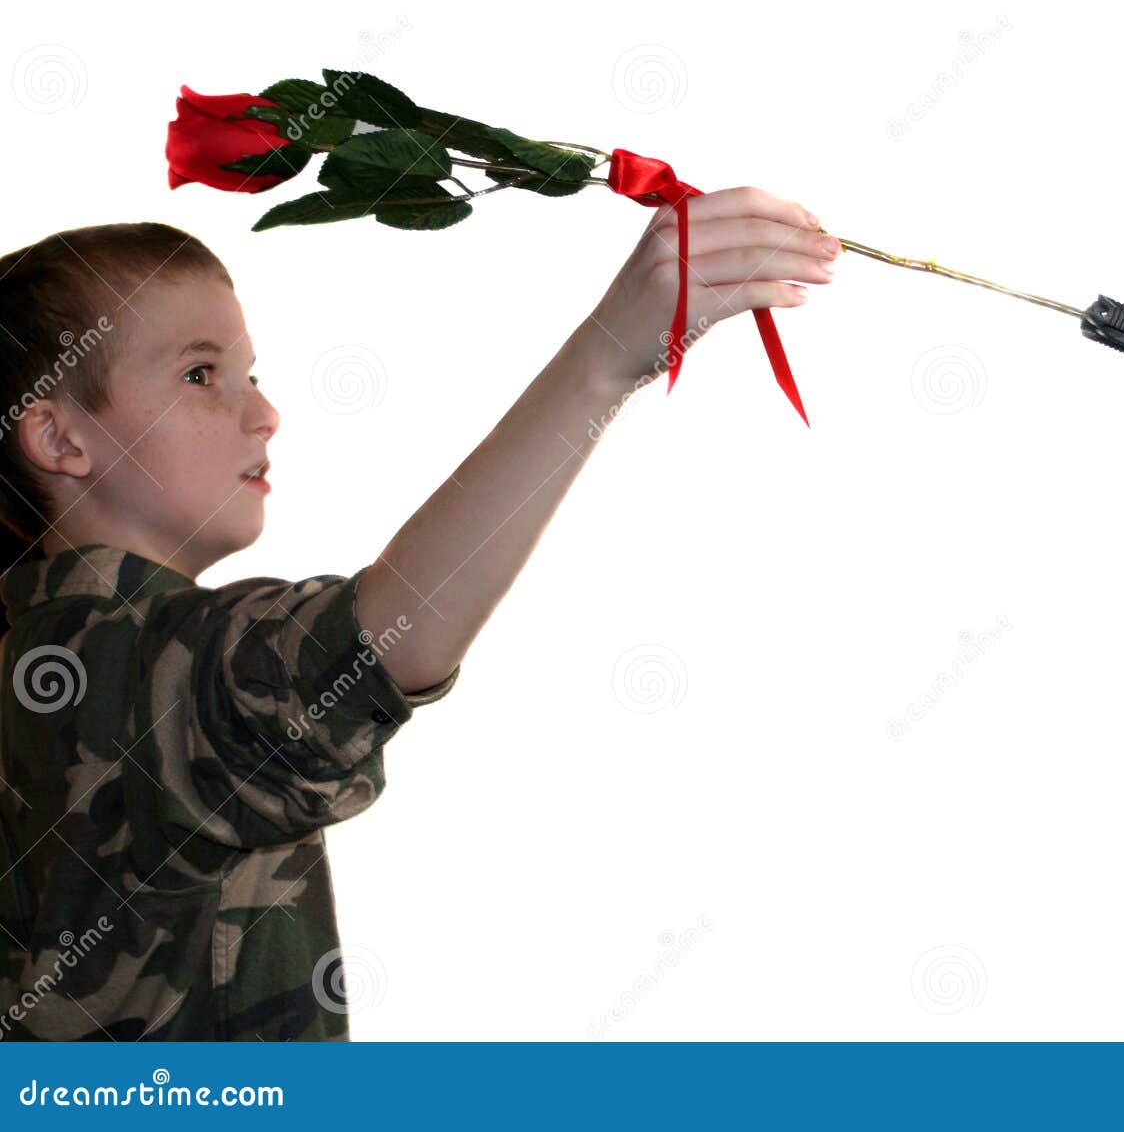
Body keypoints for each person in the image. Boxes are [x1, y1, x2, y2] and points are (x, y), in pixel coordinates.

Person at [0, 195, 839, 1039]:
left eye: (251, 374)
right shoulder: (113, 660)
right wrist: (608, 356)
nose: (263, 412)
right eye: (199, 374)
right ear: (60, 439)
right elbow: (377, 640)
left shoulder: (47, 662)